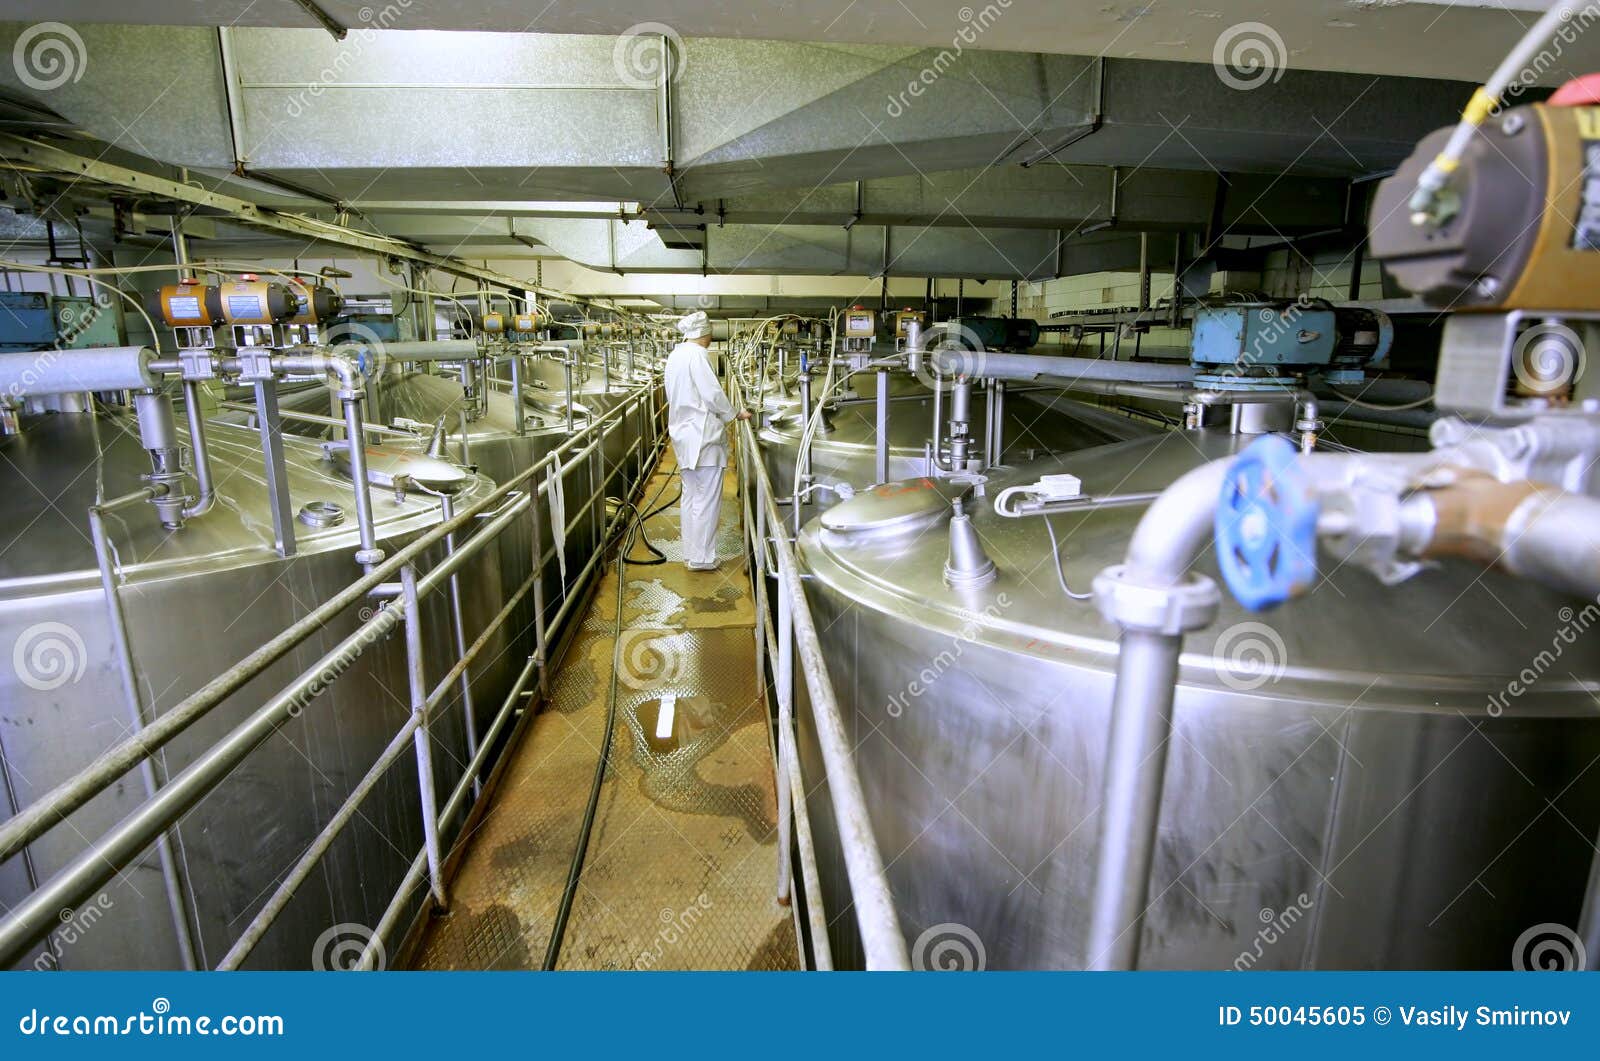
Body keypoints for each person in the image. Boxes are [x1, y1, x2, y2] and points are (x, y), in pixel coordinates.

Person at [664, 311, 750, 571]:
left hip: (683, 435)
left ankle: (691, 552)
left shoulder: (676, 355)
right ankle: (702, 559)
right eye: (710, 332)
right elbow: (712, 394)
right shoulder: (698, 355)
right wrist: (735, 413)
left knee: (691, 496)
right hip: (703, 437)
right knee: (707, 499)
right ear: (705, 333)